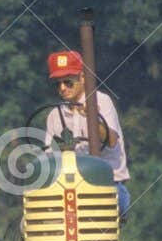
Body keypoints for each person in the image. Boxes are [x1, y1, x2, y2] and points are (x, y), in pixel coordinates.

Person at [43, 50, 130, 219]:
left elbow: (110, 140)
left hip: (108, 184)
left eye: (68, 82)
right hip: (68, 189)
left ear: (83, 77)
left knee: (94, 212)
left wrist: (92, 116)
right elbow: (48, 156)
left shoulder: (101, 102)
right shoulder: (55, 115)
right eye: (57, 83)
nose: (62, 88)